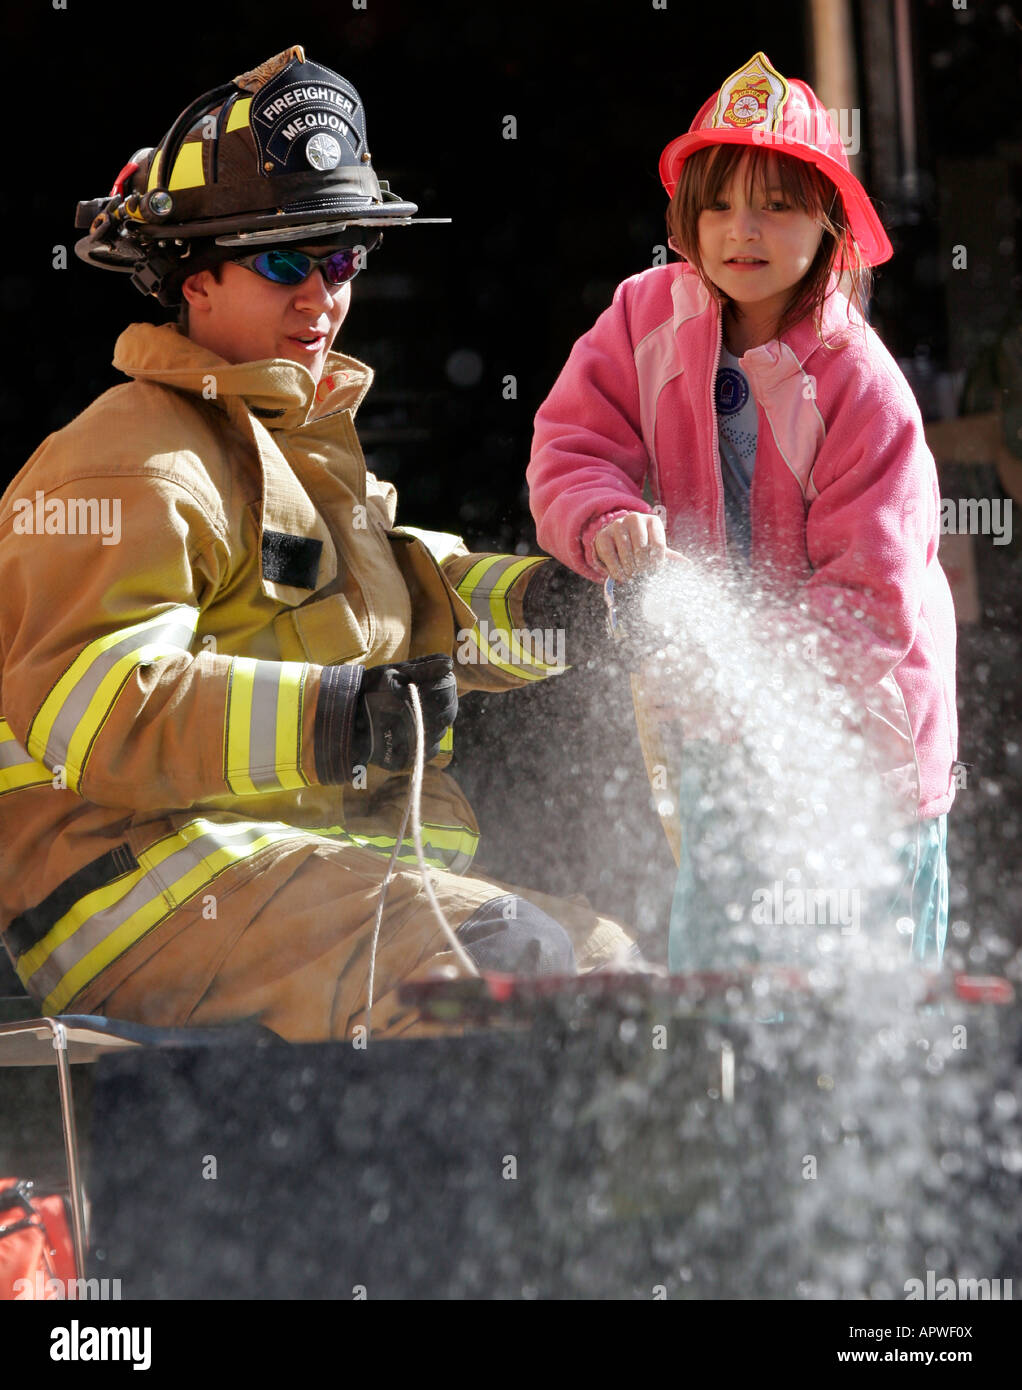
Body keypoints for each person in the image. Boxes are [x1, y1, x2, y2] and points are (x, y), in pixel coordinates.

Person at [0, 46, 634, 1041]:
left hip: (274, 866)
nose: (323, 295)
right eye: (286, 261)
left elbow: (407, 603)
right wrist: (337, 716)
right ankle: (419, 1200)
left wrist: (561, 612)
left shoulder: (289, 447)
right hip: (138, 891)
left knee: (606, 976)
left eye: (342, 258)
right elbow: (94, 702)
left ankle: (551, 1200)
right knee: (496, 962)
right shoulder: (124, 461)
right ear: (190, 278)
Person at [527, 52, 958, 970]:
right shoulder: (647, 315)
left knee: (854, 1021)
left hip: (857, 763)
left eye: (777, 205)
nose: (742, 230)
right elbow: (573, 445)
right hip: (722, 744)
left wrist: (750, 695)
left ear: (830, 223)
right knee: (714, 1005)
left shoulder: (860, 386)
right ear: (686, 218)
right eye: (719, 204)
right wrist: (604, 517)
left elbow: (871, 601)